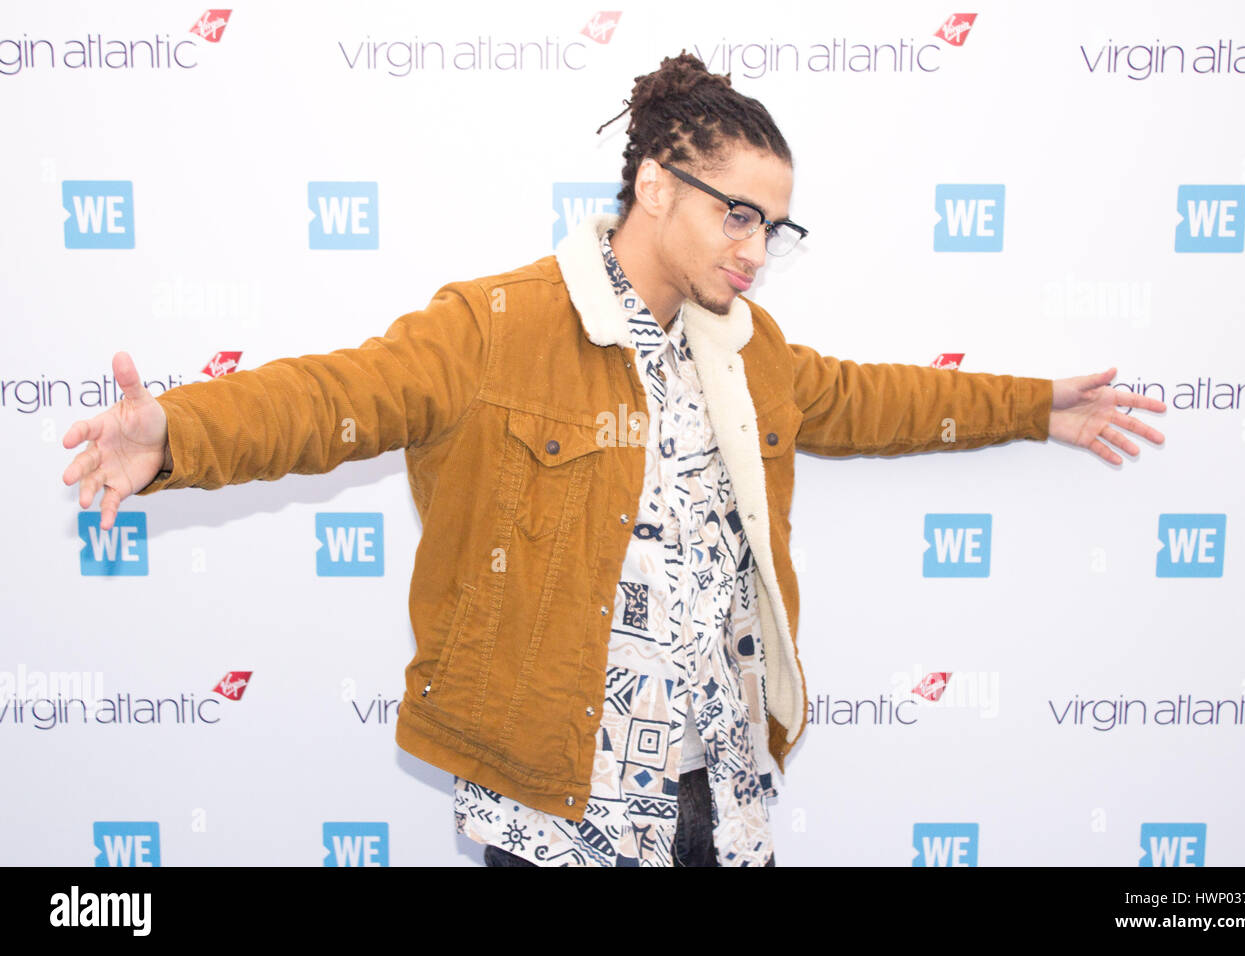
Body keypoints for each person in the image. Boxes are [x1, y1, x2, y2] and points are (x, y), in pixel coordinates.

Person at [60, 52, 1167, 867]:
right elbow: (339, 397)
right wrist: (177, 436)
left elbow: (871, 397)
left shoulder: (745, 349)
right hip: (566, 806)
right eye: (737, 214)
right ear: (653, 186)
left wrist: (1034, 407)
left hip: (719, 791)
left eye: (773, 228)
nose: (755, 251)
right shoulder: (498, 324)